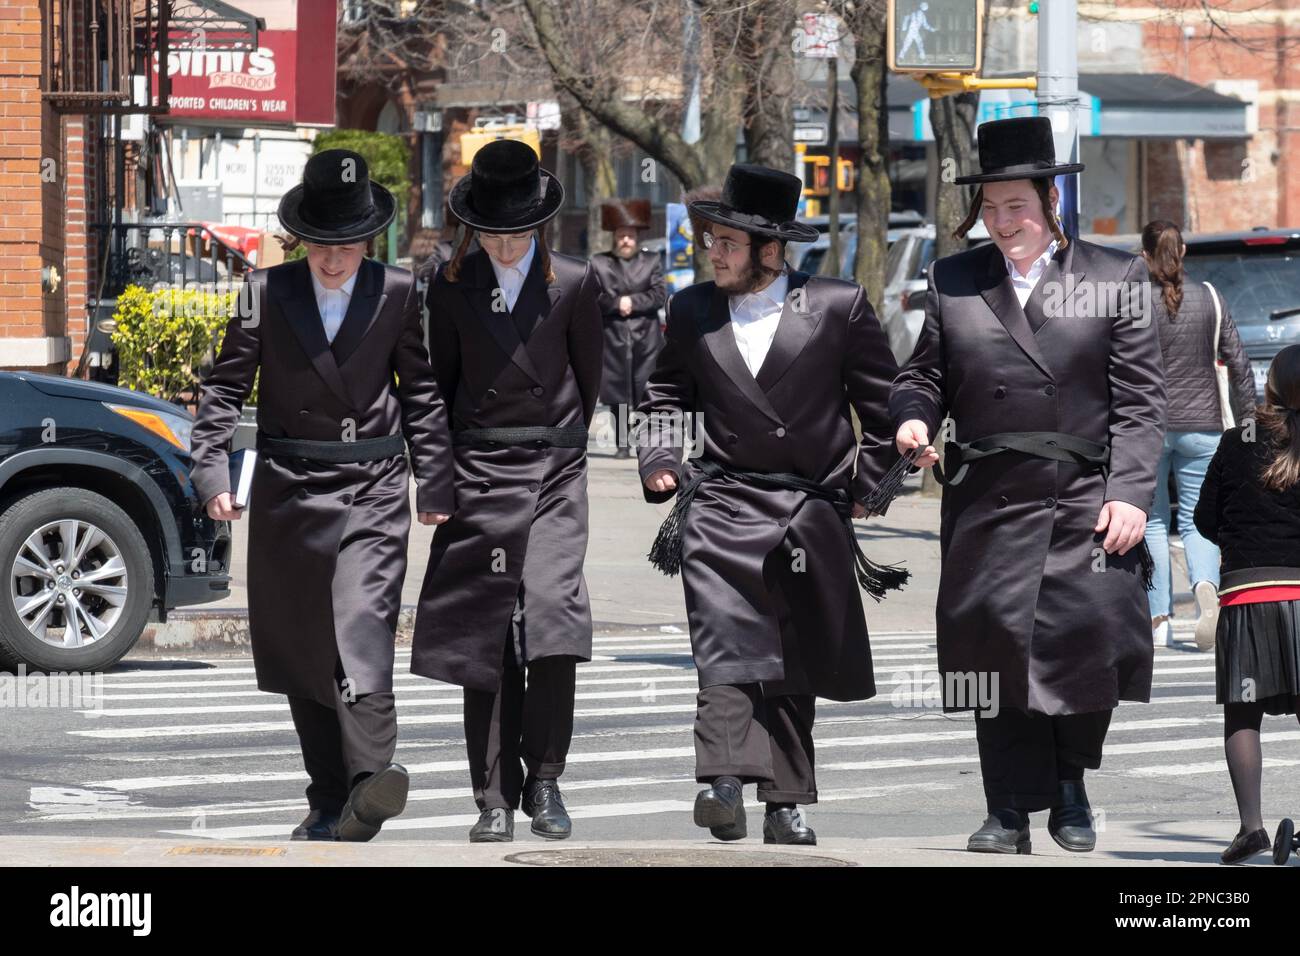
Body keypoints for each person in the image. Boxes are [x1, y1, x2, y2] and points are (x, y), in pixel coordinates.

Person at [891, 116, 1166, 854]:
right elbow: (923, 375)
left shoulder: (1116, 278)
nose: (1003, 221)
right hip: (988, 495)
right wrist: (912, 419)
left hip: (1083, 493)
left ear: (1050, 201)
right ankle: (1006, 808)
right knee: (992, 651)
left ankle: (1071, 786)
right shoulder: (954, 278)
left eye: (1017, 205)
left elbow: (1141, 403)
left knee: (1085, 639)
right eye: (990, 208)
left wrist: (1130, 494)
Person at [190, 149, 456, 841]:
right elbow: (222, 388)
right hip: (287, 491)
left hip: (372, 486)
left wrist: (436, 478)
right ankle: (328, 797)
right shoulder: (263, 290)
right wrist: (213, 474)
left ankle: (372, 778)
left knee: (362, 626)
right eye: (321, 245)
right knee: (305, 647)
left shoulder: (400, 291)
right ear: (300, 237)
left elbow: (421, 393)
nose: (333, 260)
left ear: (368, 239)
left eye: (346, 246)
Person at [636, 163, 903, 846]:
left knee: (792, 658)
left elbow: (884, 402)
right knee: (724, 644)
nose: (714, 254)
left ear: (770, 250)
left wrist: (869, 486)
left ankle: (785, 802)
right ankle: (724, 781)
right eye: (711, 241)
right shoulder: (691, 309)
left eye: (727, 242)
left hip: (809, 509)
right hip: (720, 503)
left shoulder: (838, 305)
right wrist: (662, 459)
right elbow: (663, 397)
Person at [410, 139, 603, 843]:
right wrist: (437, 478)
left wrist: (562, 445)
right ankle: (492, 793)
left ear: (540, 225)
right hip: (480, 471)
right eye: (493, 232)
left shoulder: (578, 282)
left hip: (555, 471)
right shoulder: (449, 282)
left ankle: (546, 778)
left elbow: (592, 379)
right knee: (484, 636)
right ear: (474, 227)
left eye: (518, 232)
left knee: (554, 622)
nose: (506, 244)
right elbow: (437, 387)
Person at [1193, 344, 1300, 864]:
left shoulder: (1239, 442)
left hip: (1246, 594)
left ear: (1270, 388)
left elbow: (1203, 518)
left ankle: (1251, 829)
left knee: (1243, 715)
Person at [1141, 219, 1254, 650]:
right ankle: (1206, 591)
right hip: (1204, 426)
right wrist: (1248, 426)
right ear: (1184, 251)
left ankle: (1159, 618)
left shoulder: (1133, 302)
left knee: (1151, 520)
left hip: (1147, 427)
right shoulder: (1211, 297)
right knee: (1196, 519)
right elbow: (1240, 365)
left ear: (1145, 255)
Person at [589, 198, 667, 456]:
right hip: (612, 337)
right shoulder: (599, 262)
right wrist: (615, 303)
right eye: (621, 236)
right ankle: (622, 444)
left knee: (646, 392)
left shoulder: (652, 260)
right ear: (615, 237)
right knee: (617, 395)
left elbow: (659, 295)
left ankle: (645, 442)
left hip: (646, 337)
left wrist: (631, 302)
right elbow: (593, 297)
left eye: (630, 236)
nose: (626, 240)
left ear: (637, 237)